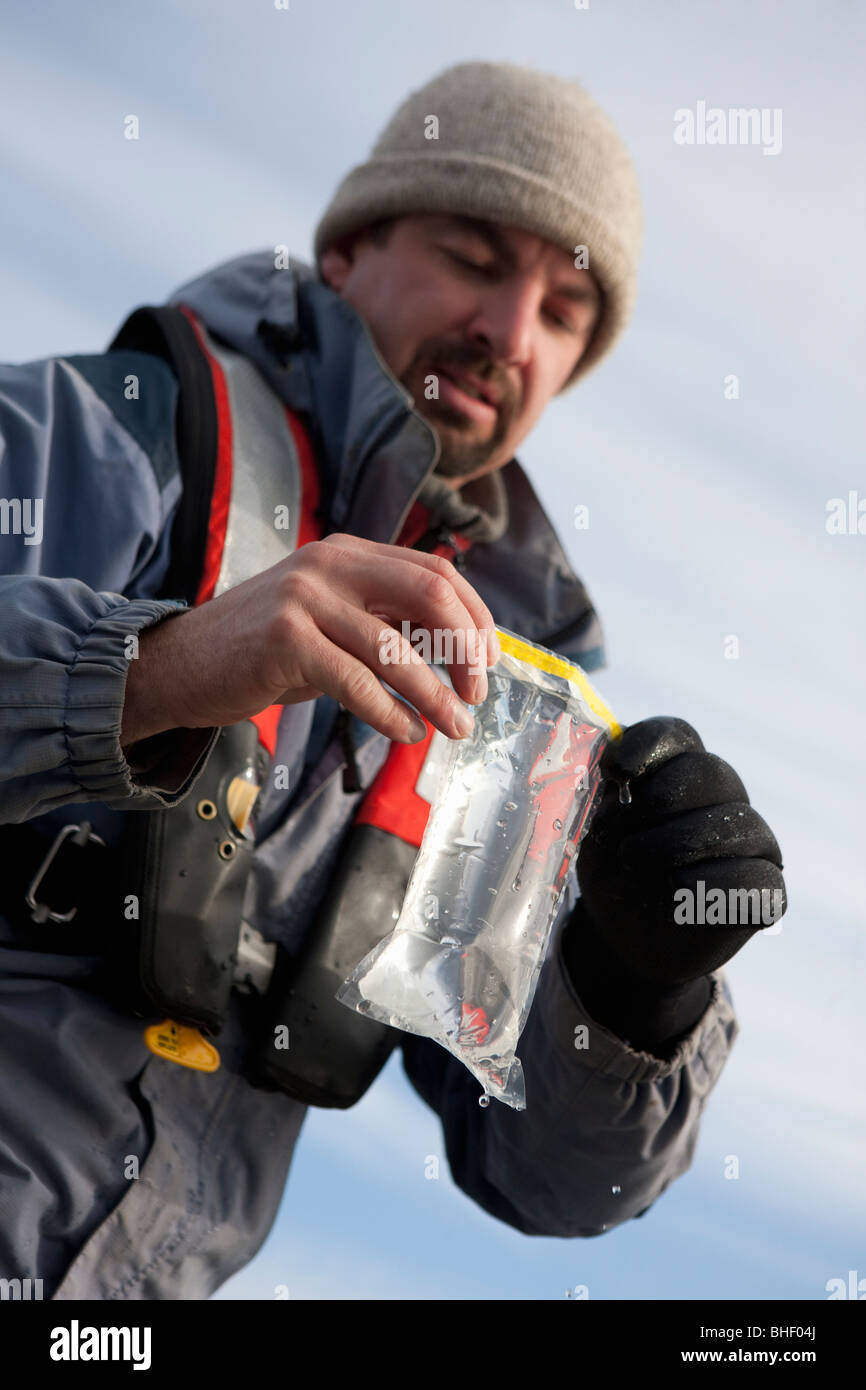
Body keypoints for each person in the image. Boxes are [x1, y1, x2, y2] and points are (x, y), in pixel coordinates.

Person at [0, 60, 786, 1300]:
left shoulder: (522, 718)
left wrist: (636, 976)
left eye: (565, 309)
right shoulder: (86, 436)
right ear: (346, 251)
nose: (509, 330)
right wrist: (158, 670)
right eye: (475, 256)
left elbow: (552, 1180)